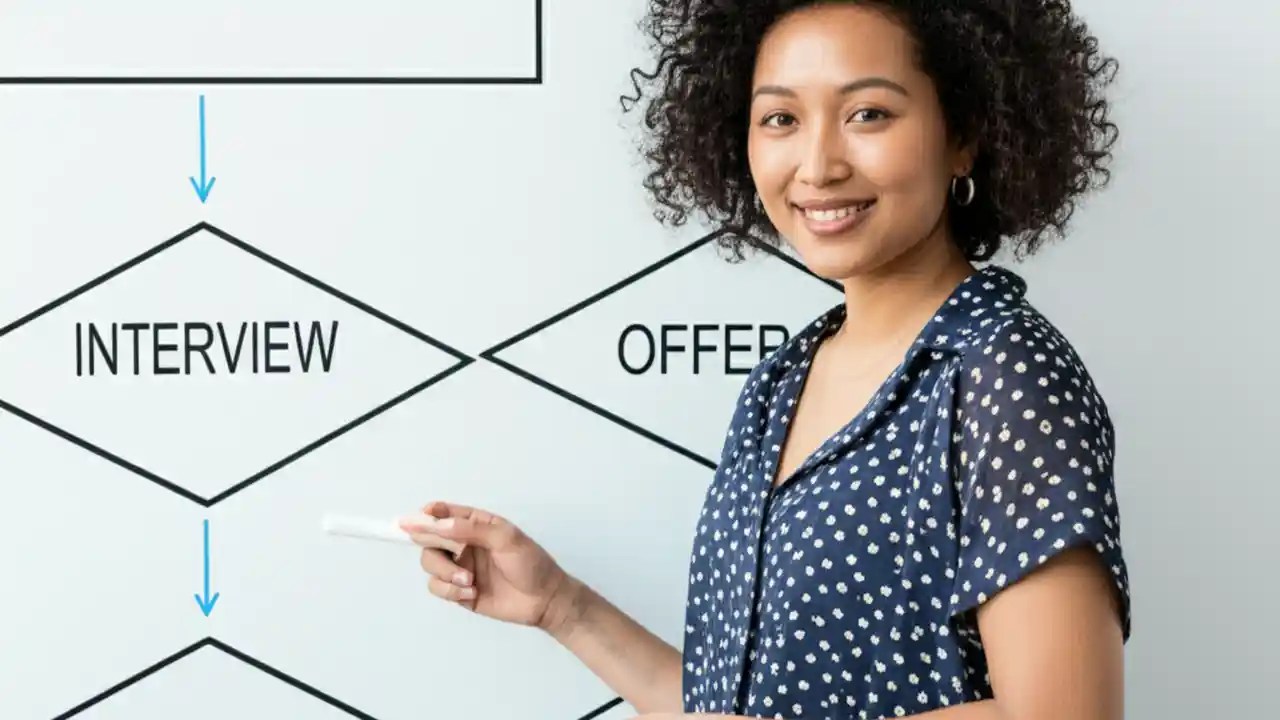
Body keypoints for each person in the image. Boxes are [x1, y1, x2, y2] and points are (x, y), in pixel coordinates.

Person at [398, 1, 1132, 718]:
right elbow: (736, 705)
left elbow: (1064, 713)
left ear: (963, 134)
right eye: (780, 119)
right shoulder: (780, 383)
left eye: (868, 113)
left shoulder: (1004, 373)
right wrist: (561, 606)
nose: (817, 166)